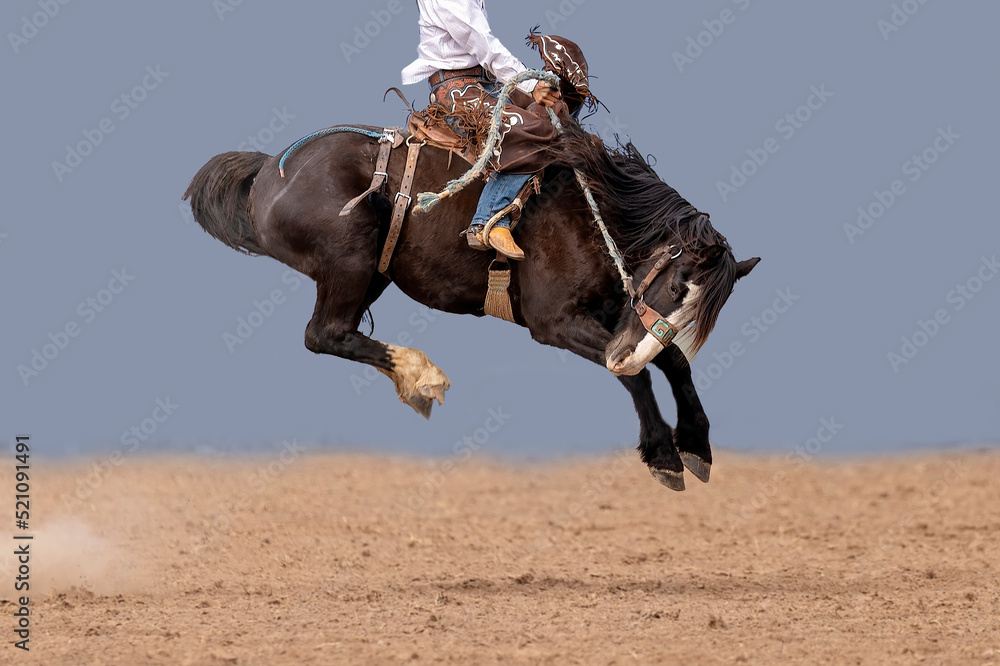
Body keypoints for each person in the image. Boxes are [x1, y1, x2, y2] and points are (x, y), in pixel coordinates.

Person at [401, 0, 563, 261]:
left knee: (558, 107)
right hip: (457, 91)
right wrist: (532, 83)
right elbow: (482, 43)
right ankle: (488, 219)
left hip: (482, 83)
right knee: (535, 131)